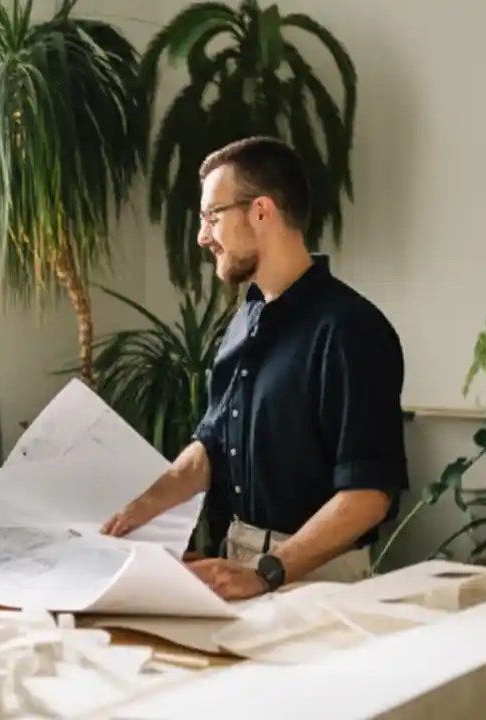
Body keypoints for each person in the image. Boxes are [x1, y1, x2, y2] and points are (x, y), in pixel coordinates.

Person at [102, 136, 409, 600]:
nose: (203, 236)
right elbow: (212, 443)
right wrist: (138, 510)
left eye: (211, 217)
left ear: (261, 210)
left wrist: (268, 571)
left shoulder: (351, 330)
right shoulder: (245, 317)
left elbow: (369, 495)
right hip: (239, 562)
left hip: (317, 579)